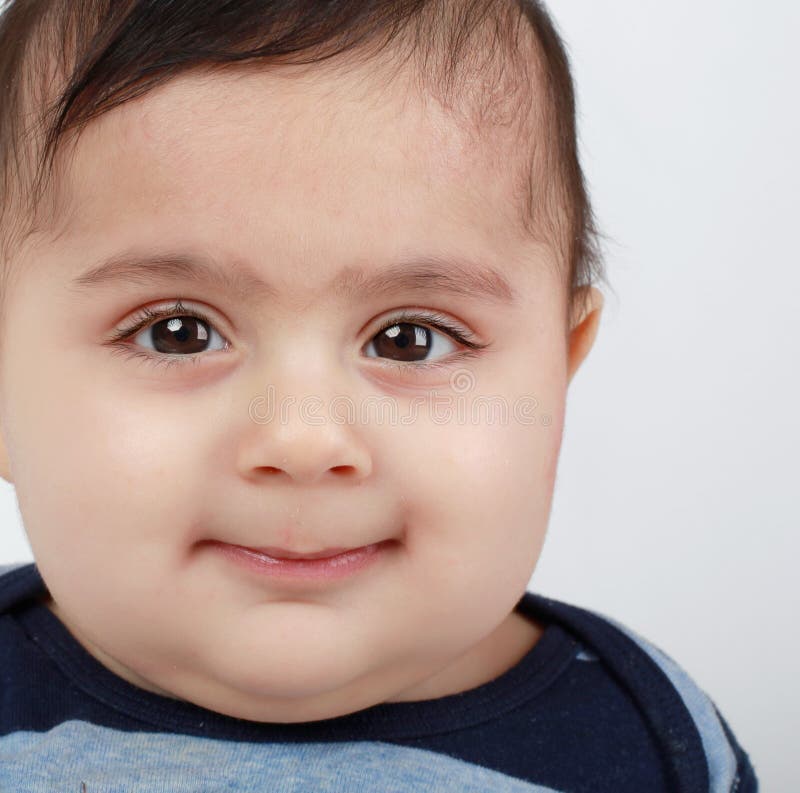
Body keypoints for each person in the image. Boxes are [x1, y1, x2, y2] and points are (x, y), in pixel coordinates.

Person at [0, 1, 757, 791]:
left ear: (557, 376)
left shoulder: (653, 738)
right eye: (177, 332)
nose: (303, 442)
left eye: (409, 338)